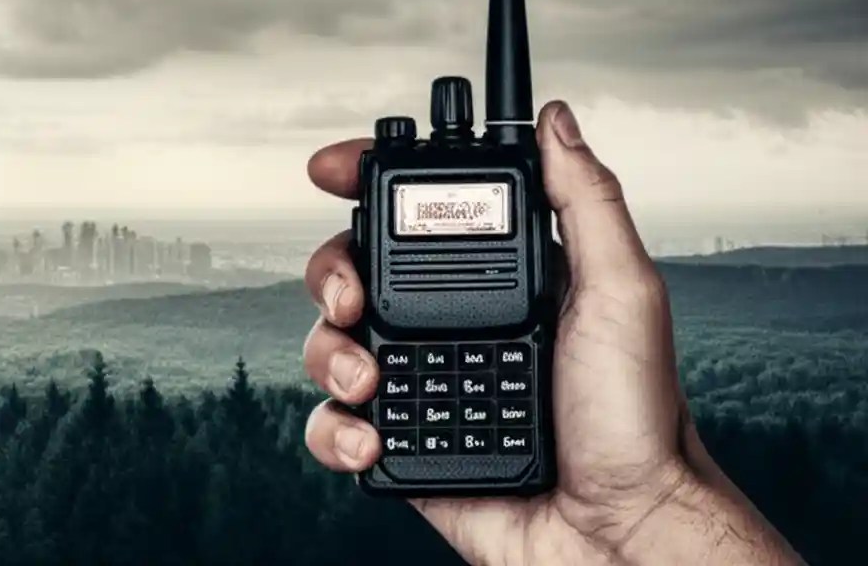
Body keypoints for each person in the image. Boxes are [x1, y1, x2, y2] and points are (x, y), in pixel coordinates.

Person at [300, 101, 804, 565]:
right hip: (432, 368)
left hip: (514, 400)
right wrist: (644, 518)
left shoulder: (504, 168)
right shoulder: (499, 167)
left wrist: (641, 511)